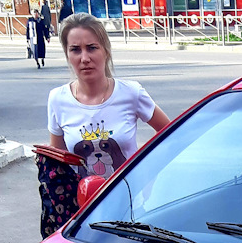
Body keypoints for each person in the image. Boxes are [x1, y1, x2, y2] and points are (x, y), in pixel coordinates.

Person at [47, 12, 169, 186]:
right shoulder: (57, 99)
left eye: (92, 48)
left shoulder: (131, 92)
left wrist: (148, 170)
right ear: (67, 55)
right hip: (83, 207)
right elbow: (57, 162)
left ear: (106, 51)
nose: (84, 58)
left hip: (129, 200)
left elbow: (169, 133)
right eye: (75, 50)